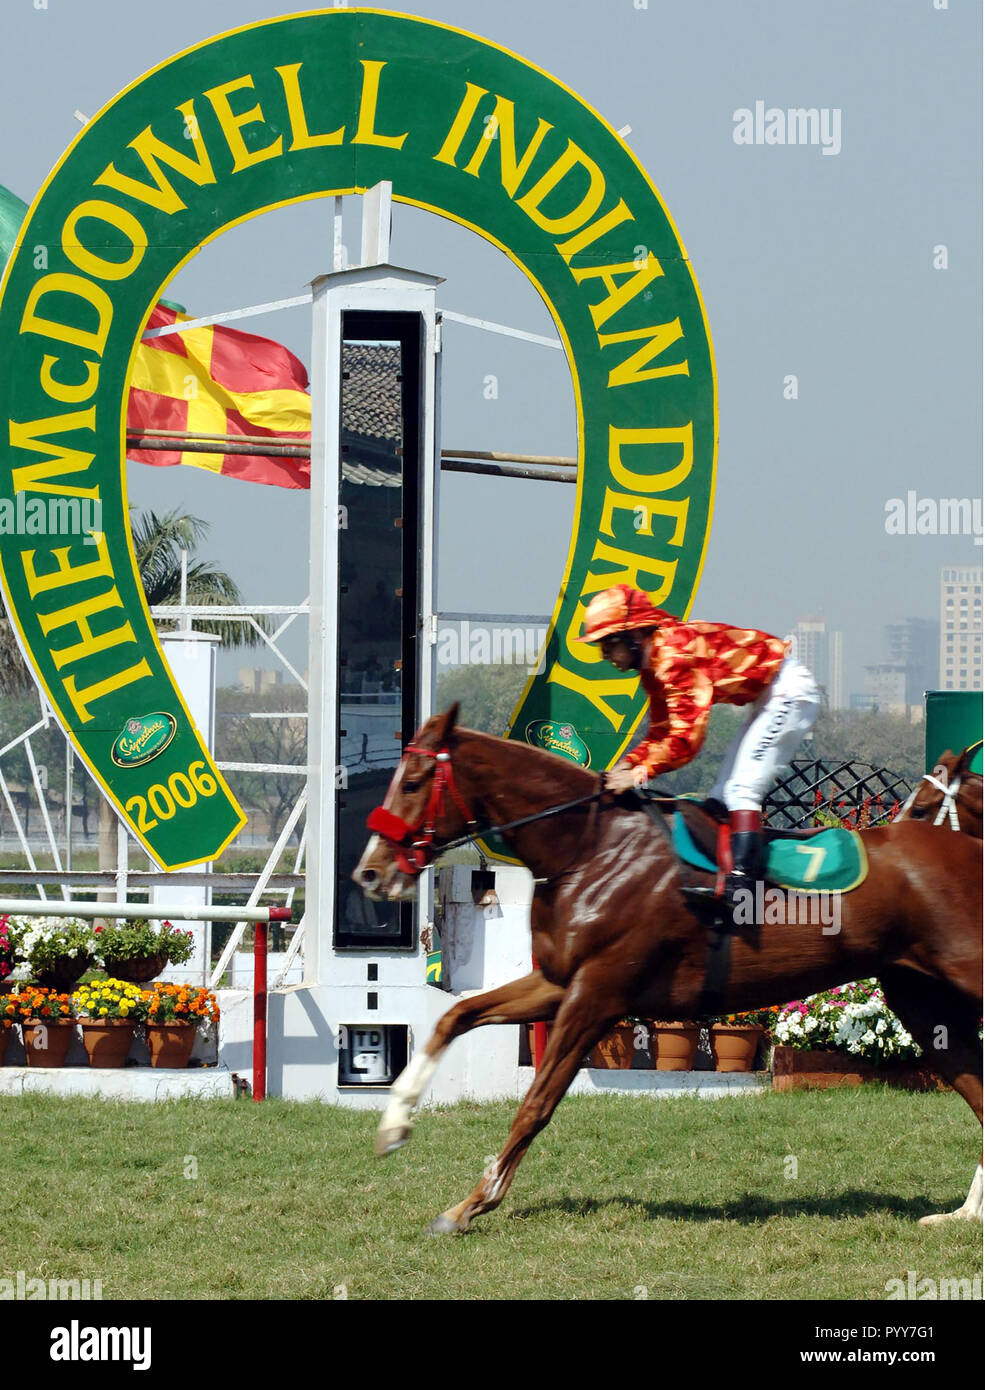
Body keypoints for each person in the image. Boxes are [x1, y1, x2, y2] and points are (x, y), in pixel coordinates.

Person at [580, 584, 820, 913]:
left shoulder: (674, 654)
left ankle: (743, 889)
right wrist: (629, 762)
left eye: (608, 644)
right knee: (720, 799)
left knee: (742, 791)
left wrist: (638, 774)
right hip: (766, 696)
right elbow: (662, 731)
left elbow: (685, 742)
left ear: (634, 635)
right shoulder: (653, 667)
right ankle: (721, 878)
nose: (604, 655)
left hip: (789, 692)